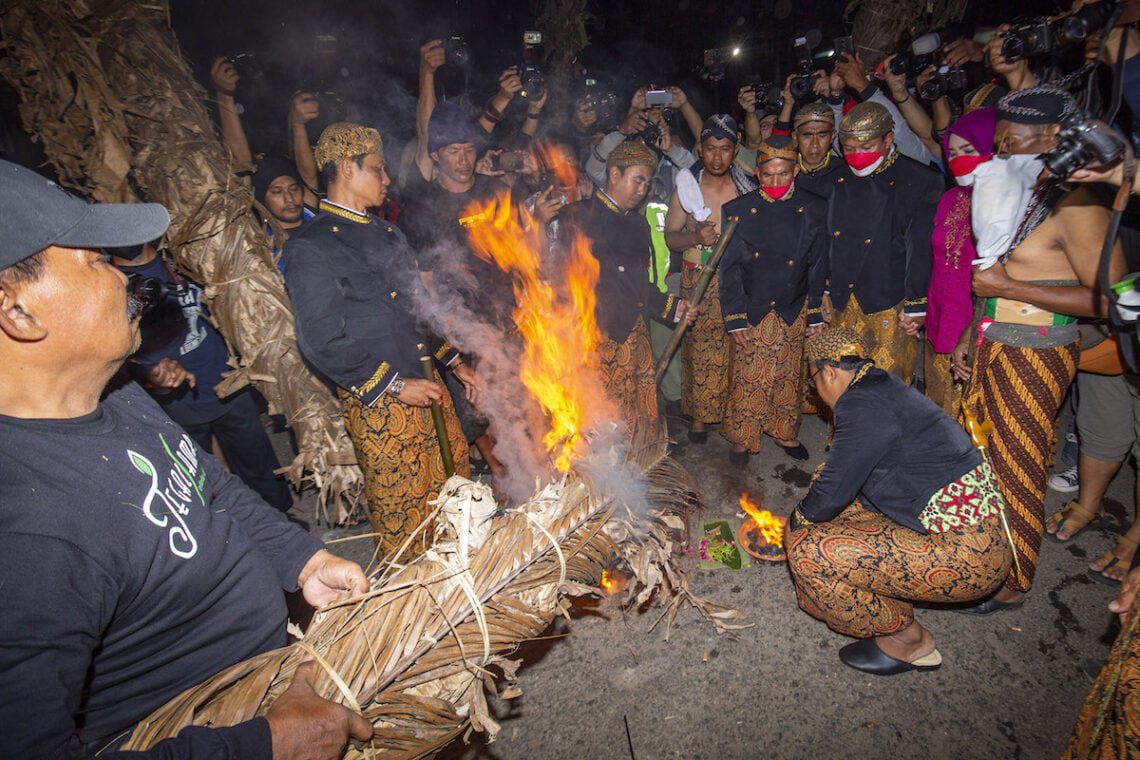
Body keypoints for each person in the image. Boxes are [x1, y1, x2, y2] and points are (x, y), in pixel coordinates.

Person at [0, 158, 371, 758]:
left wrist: (299, 560)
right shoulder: (23, 533)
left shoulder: (116, 393)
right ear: (17, 310)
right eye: (96, 259)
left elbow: (209, 488)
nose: (127, 278)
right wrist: (264, 745)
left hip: (271, 672)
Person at [958, 85, 1125, 611]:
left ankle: (1012, 581)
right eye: (1002, 137)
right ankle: (978, 556)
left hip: (1038, 349)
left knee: (1020, 466)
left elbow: (1110, 297)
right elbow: (992, 272)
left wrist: (1010, 290)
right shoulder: (1013, 184)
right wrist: (972, 329)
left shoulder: (1078, 203)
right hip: (994, 336)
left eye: (1019, 138)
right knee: (981, 457)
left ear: (1056, 136)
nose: (1005, 145)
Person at [282, 122, 476, 559]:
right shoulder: (311, 248)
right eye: (378, 169)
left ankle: (466, 588)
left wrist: (455, 363)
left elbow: (418, 310)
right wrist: (394, 386)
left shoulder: (388, 233)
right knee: (406, 517)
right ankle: (415, 604)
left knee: (456, 494)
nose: (387, 180)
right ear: (348, 169)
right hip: (383, 403)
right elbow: (320, 340)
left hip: (429, 387)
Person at [785, 327, 1013, 675]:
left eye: (812, 382)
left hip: (970, 556)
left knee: (809, 553)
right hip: (970, 537)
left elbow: (831, 492)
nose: (814, 393)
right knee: (824, 484)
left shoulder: (859, 403)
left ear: (829, 372)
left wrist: (796, 521)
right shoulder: (879, 385)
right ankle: (888, 586)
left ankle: (909, 639)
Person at [112, 240, 295, 515]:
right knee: (200, 480)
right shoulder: (111, 284)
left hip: (225, 378)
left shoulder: (180, 258)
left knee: (258, 462)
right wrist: (148, 372)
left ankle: (281, 521)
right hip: (179, 401)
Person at [559, 140, 694, 431]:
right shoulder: (579, 216)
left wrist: (671, 306)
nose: (642, 190)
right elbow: (566, 280)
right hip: (597, 334)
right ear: (614, 174)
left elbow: (637, 282)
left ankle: (632, 467)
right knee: (599, 414)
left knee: (636, 408)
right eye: (637, 180)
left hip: (635, 331)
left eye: (647, 182)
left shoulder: (638, 223)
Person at [719, 136, 828, 464]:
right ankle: (742, 437)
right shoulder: (738, 211)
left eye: (783, 174)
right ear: (756, 173)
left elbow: (817, 261)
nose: (775, 181)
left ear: (795, 170)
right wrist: (734, 316)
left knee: (787, 374)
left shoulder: (814, 206)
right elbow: (730, 271)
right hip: (756, 307)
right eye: (768, 175)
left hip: (793, 304)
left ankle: (782, 430)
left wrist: (815, 313)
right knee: (749, 375)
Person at [826, 101, 943, 383]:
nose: (856, 156)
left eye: (866, 147)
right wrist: (825, 289)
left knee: (888, 380)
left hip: (889, 299)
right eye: (849, 147)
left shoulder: (918, 179)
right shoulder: (837, 177)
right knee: (841, 380)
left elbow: (919, 248)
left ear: (888, 139)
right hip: (843, 296)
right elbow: (829, 239)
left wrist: (916, 305)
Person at [664, 115, 756, 444]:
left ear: (735, 150)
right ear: (700, 149)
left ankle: (736, 422)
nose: (717, 157)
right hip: (698, 276)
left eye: (725, 148)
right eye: (710, 148)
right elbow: (670, 238)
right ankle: (700, 419)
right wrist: (695, 238)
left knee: (738, 349)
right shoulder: (687, 186)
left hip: (738, 279)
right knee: (699, 351)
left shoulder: (747, 187)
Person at [924, 108, 997, 415]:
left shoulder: (1007, 205)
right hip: (940, 315)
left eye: (969, 150)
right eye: (952, 152)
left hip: (975, 323)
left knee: (974, 411)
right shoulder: (951, 198)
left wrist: (972, 331)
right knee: (938, 404)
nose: (958, 160)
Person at [252, 156, 316, 272]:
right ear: (263, 200)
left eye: (294, 189)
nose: (289, 198)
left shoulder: (323, 224)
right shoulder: (266, 248)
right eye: (277, 192)